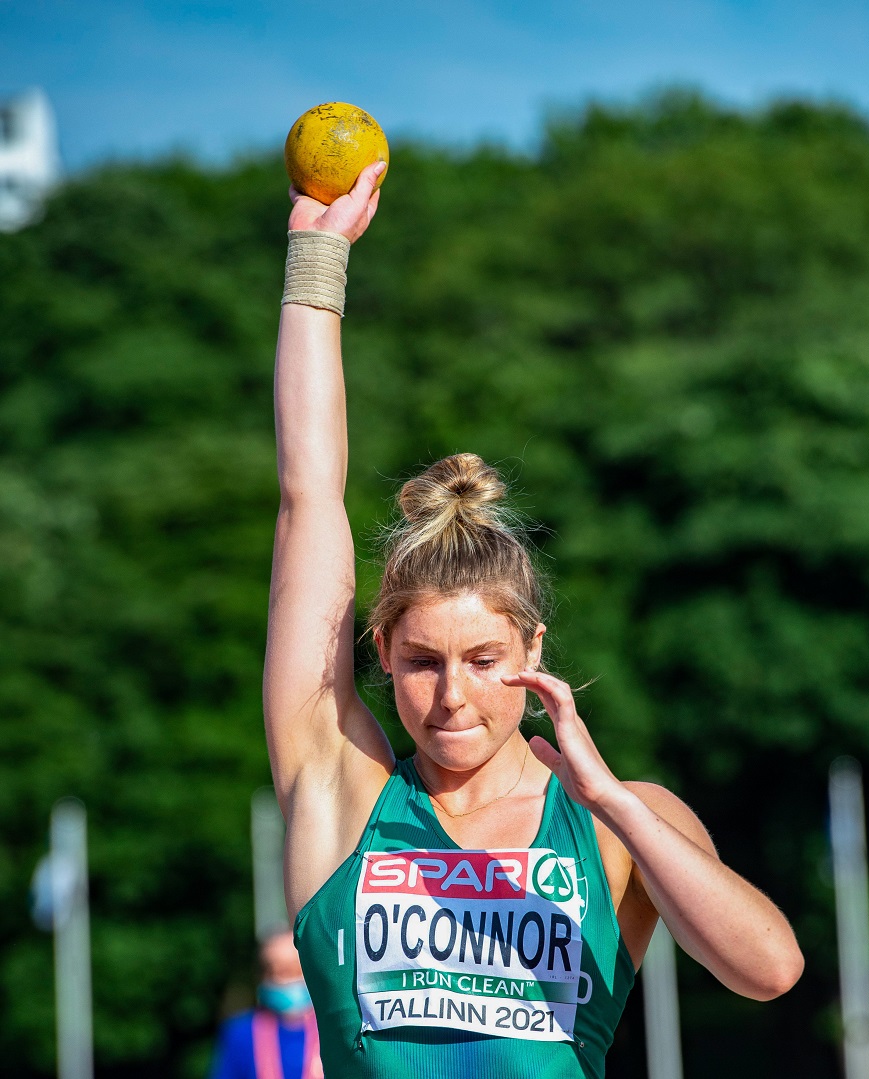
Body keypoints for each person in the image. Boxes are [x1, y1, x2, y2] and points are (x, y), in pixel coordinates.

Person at [264, 161, 804, 1079]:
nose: (451, 696)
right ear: (382, 653)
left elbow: (768, 969)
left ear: (533, 652)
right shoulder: (340, 790)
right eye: (423, 661)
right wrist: (317, 255)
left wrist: (614, 803)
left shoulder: (613, 824)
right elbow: (307, 496)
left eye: (483, 657)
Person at [209, 929, 322, 1079]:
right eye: (278, 971)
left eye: (295, 970)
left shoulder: (335, 1026)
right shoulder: (241, 1033)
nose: (287, 979)